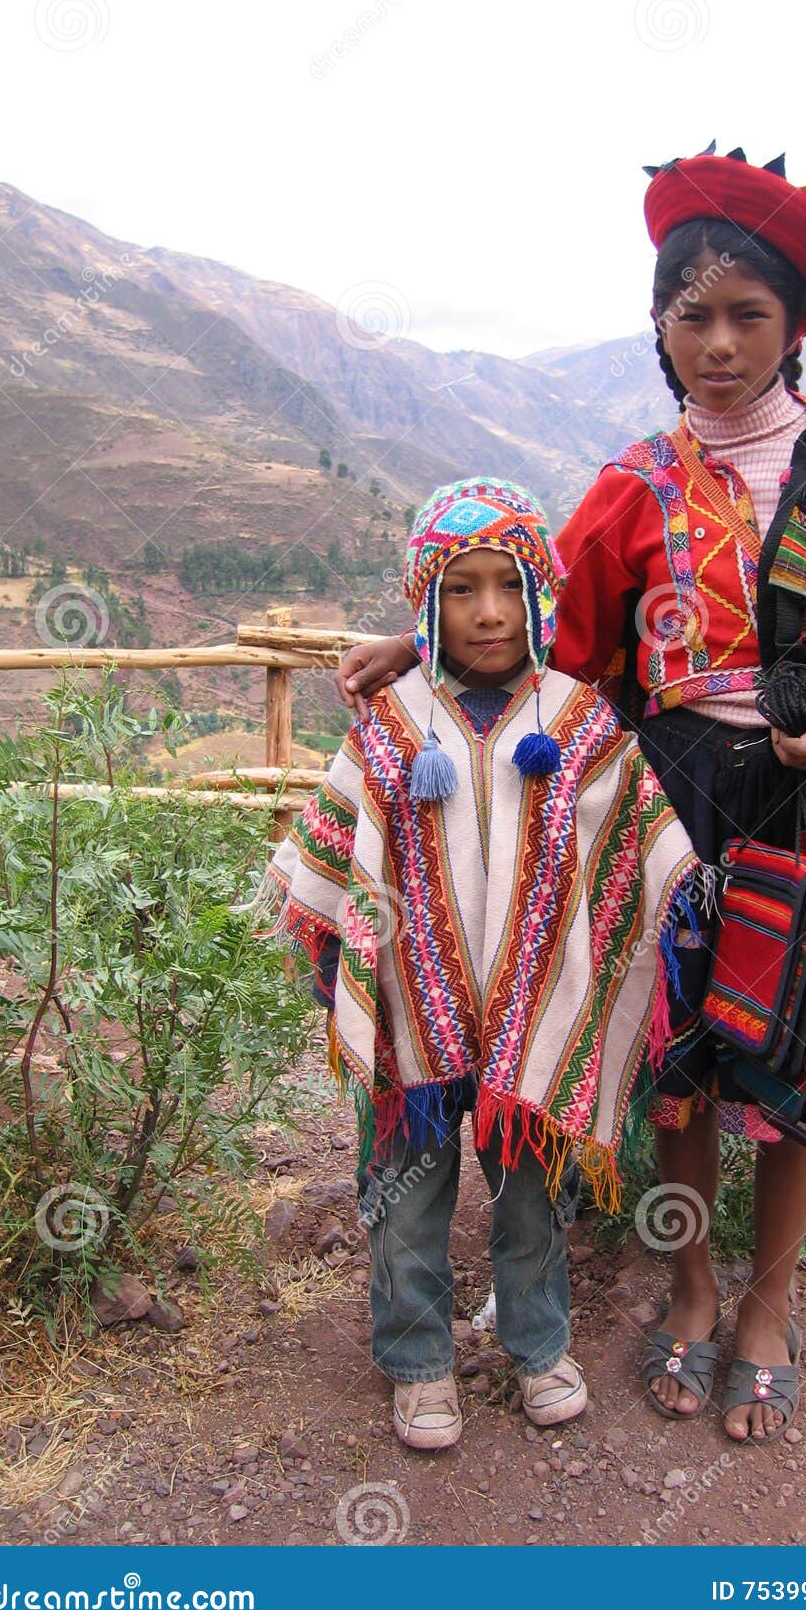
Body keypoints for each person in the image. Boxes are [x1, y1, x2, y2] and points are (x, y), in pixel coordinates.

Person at [333, 145, 806, 1446]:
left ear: (793, 326)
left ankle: (769, 1307)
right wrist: (426, 640)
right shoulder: (636, 484)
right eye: (695, 316)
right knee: (675, 1061)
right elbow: (551, 629)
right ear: (660, 328)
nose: (722, 341)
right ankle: (690, 1289)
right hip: (673, 798)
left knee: (796, 1073)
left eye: (749, 314)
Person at [245, 476, 703, 1451]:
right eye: (460, 588)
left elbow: (640, 855)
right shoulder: (389, 720)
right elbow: (338, 858)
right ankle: (416, 1357)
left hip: (536, 1013)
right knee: (404, 1191)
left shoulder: (578, 720)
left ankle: (538, 1344)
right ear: (425, 601)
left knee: (533, 1192)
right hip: (411, 1013)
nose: (487, 610)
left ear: (539, 590)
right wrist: (349, 982)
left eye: (507, 583)